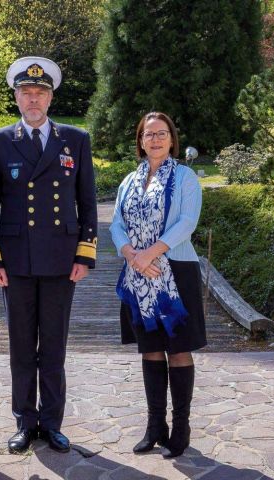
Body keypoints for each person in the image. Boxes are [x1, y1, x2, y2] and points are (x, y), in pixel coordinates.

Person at [0, 56, 98, 454]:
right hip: (15, 262)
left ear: (50, 98)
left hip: (62, 259)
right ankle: (24, 422)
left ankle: (52, 423)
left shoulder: (75, 139)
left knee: (54, 345)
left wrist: (85, 254)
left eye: (40, 92)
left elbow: (87, 200)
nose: (34, 99)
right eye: (27, 92)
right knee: (20, 345)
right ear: (16, 97)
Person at [110, 111, 205, 458]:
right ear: (140, 140)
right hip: (138, 276)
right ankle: (155, 426)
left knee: (178, 349)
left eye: (161, 133)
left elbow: (187, 222)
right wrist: (131, 254)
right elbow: (116, 225)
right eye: (148, 134)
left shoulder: (185, 177)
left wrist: (151, 253)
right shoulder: (128, 181)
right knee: (150, 348)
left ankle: (180, 428)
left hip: (176, 269)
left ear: (171, 138)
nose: (155, 139)